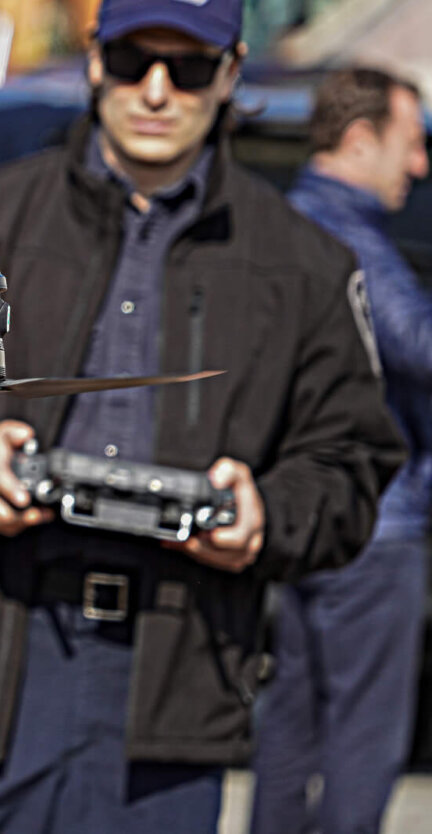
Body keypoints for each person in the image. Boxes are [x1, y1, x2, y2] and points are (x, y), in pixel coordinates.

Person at [0, 0, 405, 834]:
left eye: (187, 69)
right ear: (96, 54)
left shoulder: (303, 264)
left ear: (231, 73)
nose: (156, 91)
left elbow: (350, 465)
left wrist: (267, 515)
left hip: (167, 700)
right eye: (136, 57)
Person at [250, 67, 432, 834]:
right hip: (375, 520)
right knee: (364, 732)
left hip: (303, 511)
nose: (420, 166)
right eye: (411, 144)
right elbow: (417, 345)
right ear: (360, 141)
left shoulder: (282, 222)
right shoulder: (345, 235)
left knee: (294, 714)